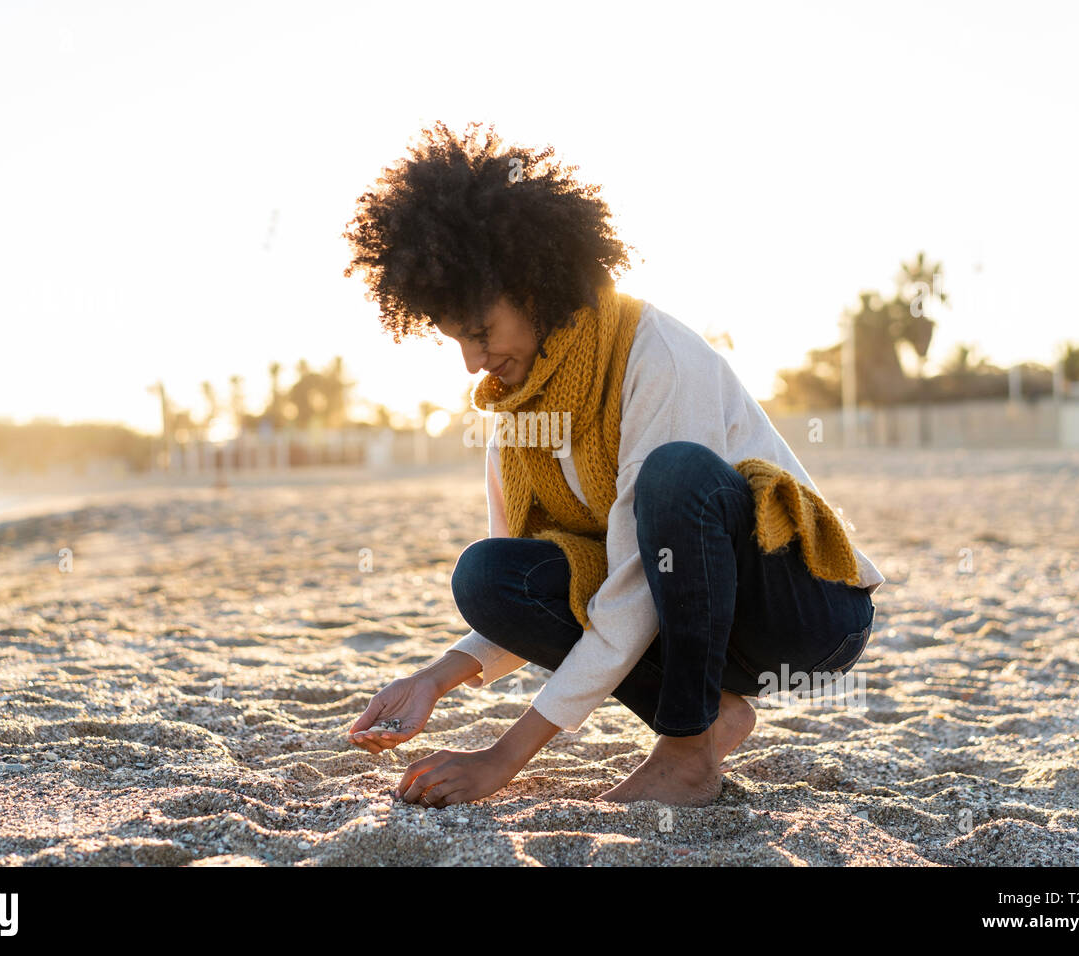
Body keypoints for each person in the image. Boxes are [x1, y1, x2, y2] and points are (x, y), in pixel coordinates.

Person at [341, 121, 884, 808]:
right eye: (458, 341)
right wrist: (434, 678)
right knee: (489, 576)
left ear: (534, 287)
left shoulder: (656, 355)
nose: (474, 362)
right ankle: (711, 713)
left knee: (676, 476)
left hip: (803, 612)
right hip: (696, 614)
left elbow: (631, 585)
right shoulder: (517, 414)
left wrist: (501, 760)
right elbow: (541, 592)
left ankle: (688, 753)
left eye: (481, 333)